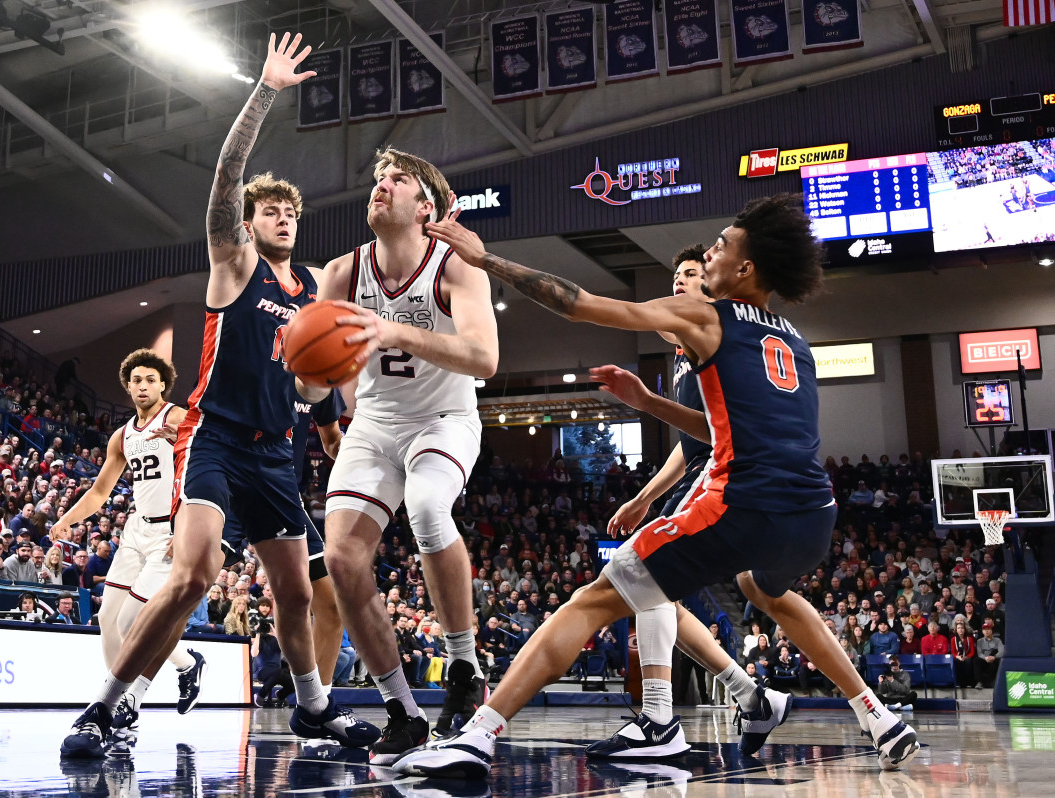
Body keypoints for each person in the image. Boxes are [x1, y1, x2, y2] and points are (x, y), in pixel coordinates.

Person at [398, 194, 919, 778]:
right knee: (763, 588)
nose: (711, 252)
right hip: (812, 512)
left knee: (593, 599)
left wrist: (486, 260)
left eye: (721, 246)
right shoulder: (794, 340)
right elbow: (733, 431)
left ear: (744, 269)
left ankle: (478, 735)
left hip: (741, 503)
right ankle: (876, 714)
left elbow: (580, 304)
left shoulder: (705, 316)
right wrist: (647, 403)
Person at [60, 33, 375, 760]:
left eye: (288, 212)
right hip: (215, 440)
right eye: (268, 211)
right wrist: (265, 91)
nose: (281, 218)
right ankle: (106, 709)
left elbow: (307, 384)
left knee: (296, 596)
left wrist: (330, 416)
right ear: (250, 222)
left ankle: (313, 708)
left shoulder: (308, 299)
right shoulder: (234, 266)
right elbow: (227, 177)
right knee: (194, 573)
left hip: (278, 453)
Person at [315, 145, 498, 764]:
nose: (381, 186)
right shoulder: (342, 273)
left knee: (426, 505)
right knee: (340, 558)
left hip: (444, 419)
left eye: (398, 180)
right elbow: (313, 385)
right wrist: (308, 369)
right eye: (378, 178)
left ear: (428, 207)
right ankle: (402, 709)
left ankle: (464, 666)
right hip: (373, 423)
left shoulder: (458, 267)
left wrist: (395, 331)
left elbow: (484, 359)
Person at [585, 246, 792, 759]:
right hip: (709, 470)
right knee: (662, 595)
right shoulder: (684, 357)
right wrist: (642, 497)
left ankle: (658, 716)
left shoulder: (713, 340)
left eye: (691, 275)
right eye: (674, 275)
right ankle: (753, 696)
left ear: (712, 290)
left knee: (647, 580)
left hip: (732, 476)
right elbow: (689, 442)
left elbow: (713, 436)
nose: (678, 281)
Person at [51, 350, 208, 750]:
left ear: (162, 385)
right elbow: (101, 490)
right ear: (128, 385)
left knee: (132, 622)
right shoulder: (121, 436)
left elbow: (208, 456)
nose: (141, 385)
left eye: (149, 380)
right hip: (136, 529)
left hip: (171, 529)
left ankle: (145, 691)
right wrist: (66, 519)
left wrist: (188, 521)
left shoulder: (176, 416)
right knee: (108, 620)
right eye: (135, 379)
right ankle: (125, 705)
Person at [974, 620, 1003, 688]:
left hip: (994, 659)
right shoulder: (979, 641)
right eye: (984, 630)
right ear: (982, 631)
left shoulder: (997, 640)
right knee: (976, 660)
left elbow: (1001, 651)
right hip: (984, 659)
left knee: (997, 661)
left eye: (988, 629)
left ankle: (991, 682)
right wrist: (985, 658)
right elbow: (979, 653)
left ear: (991, 630)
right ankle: (980, 682)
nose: (986, 631)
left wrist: (994, 657)